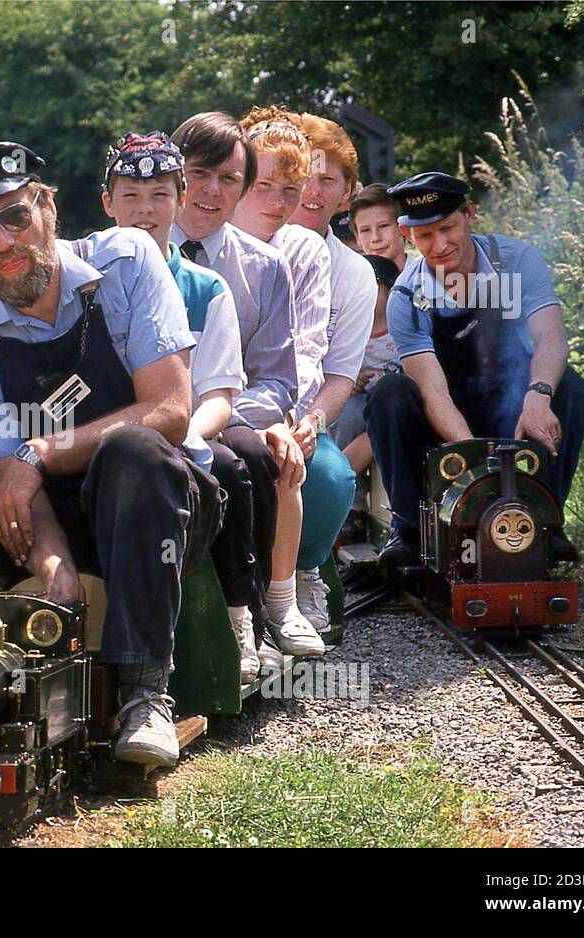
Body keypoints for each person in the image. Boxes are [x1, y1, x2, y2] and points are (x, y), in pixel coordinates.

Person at [0, 142, 223, 767]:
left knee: (134, 446)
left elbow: (169, 410)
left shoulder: (128, 261)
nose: (3, 243)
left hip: (154, 511)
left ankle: (145, 694)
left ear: (48, 208)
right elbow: (7, 478)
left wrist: (40, 452)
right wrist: (52, 563)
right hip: (38, 524)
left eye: (14, 218)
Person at [365, 172, 584, 568]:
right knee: (388, 395)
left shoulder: (518, 261)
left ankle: (547, 519)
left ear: (469, 214)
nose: (439, 246)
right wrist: (480, 462)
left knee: (571, 388)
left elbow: (552, 338)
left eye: (448, 228)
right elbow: (432, 391)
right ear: (406, 234)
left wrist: (539, 395)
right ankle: (410, 530)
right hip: (445, 409)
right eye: (424, 236)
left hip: (515, 399)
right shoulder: (406, 296)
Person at [99, 129, 256, 682]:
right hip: (107, 438)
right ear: (108, 203)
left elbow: (219, 395)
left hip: (182, 433)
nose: (145, 210)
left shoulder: (206, 289)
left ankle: (239, 615)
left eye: (160, 196)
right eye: (131, 197)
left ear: (180, 198)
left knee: (233, 467)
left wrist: (180, 431)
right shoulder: (83, 283)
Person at [167, 111, 309, 672]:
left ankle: (257, 613)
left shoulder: (266, 268)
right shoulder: (130, 256)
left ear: (243, 188)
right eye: (199, 174)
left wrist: (218, 412)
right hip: (149, 414)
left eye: (228, 179)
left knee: (255, 452)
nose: (211, 191)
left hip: (230, 415)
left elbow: (278, 379)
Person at [228, 107, 335, 659]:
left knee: (287, 460)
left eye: (291, 191)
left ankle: (282, 597)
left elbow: (308, 350)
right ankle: (236, 609)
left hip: (277, 393)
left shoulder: (304, 250)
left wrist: (290, 415)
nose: (276, 202)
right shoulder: (209, 239)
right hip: (215, 394)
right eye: (264, 186)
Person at [285, 111, 376, 632]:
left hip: (307, 409)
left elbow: (341, 373)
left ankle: (305, 567)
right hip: (240, 406)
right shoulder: (247, 245)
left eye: (327, 180)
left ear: (347, 194)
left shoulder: (355, 273)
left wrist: (312, 423)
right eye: (303, 176)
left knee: (330, 474)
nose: (312, 191)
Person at [330, 253, 402, 484]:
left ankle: (340, 479)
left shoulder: (402, 327)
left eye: (372, 286)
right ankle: (354, 495)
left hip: (392, 402)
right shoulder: (348, 328)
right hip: (359, 398)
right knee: (347, 412)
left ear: (391, 290)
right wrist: (352, 380)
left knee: (385, 422)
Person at [350, 183, 412, 272]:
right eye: (365, 230)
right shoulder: (350, 279)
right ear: (357, 237)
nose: (375, 238)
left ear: (403, 229)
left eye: (383, 226)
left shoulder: (429, 276)